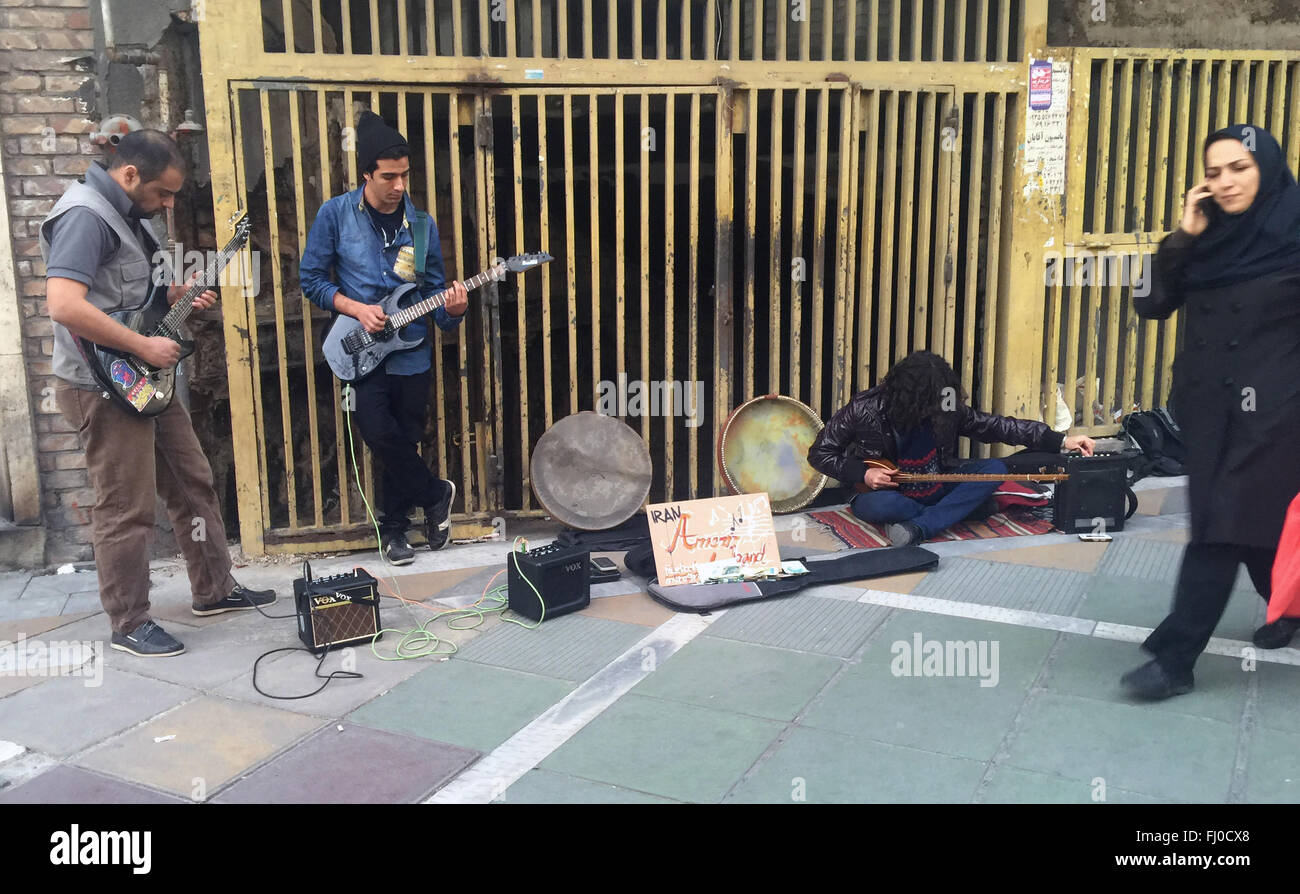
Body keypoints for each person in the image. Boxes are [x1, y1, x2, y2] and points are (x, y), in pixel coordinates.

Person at [41, 130, 275, 658]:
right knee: (126, 508)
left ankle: (214, 590)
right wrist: (144, 345)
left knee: (193, 483)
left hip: (144, 380)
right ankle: (128, 622)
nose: (168, 204)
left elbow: (130, 291)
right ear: (129, 175)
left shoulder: (128, 215)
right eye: (163, 193)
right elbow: (64, 304)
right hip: (102, 385)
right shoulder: (84, 215)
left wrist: (173, 295)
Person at [1121, 124, 1300, 700]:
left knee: (1219, 528)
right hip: (1208, 410)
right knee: (1250, 529)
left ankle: (1176, 659)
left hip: (1275, 416)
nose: (1225, 182)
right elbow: (1151, 303)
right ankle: (1290, 610)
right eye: (1215, 171)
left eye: (1239, 168)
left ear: (1267, 169)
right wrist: (1182, 235)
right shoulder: (1206, 238)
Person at [300, 112, 468, 565]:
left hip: (410, 349)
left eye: (404, 176)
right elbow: (311, 278)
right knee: (378, 433)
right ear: (367, 175)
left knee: (405, 438)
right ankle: (436, 493)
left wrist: (455, 310)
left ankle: (395, 531)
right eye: (388, 177)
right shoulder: (335, 215)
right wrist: (355, 308)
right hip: (359, 347)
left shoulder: (422, 224)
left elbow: (434, 290)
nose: (398, 186)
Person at [807, 350, 1095, 547]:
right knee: (884, 505)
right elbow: (820, 453)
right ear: (909, 397)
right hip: (885, 492)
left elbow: (997, 426)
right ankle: (958, 512)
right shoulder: (864, 408)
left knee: (994, 469)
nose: (940, 406)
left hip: (936, 485)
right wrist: (863, 473)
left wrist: (1059, 440)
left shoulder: (945, 407)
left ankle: (919, 527)